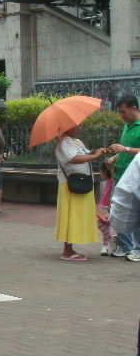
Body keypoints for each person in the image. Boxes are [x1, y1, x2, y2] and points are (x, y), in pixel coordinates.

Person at [54, 126, 104, 261]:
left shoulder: (76, 142)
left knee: (77, 215)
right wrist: (94, 156)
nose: (79, 127)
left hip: (81, 181)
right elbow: (73, 159)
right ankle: (67, 251)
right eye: (76, 125)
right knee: (71, 216)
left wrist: (97, 153)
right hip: (71, 184)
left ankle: (70, 249)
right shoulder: (64, 142)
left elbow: (85, 155)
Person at [109, 95, 140, 260]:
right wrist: (115, 157)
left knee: (137, 211)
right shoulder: (126, 126)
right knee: (120, 210)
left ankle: (138, 249)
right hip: (120, 175)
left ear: (134, 108)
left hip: (135, 178)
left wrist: (125, 149)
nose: (122, 116)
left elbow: (130, 149)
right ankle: (125, 246)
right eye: (120, 113)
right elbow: (126, 149)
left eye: (124, 112)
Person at [97, 163, 115, 255]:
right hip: (103, 207)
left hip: (107, 207)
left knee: (99, 223)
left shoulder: (112, 181)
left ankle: (110, 241)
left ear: (104, 172)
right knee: (104, 225)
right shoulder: (107, 182)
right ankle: (106, 245)